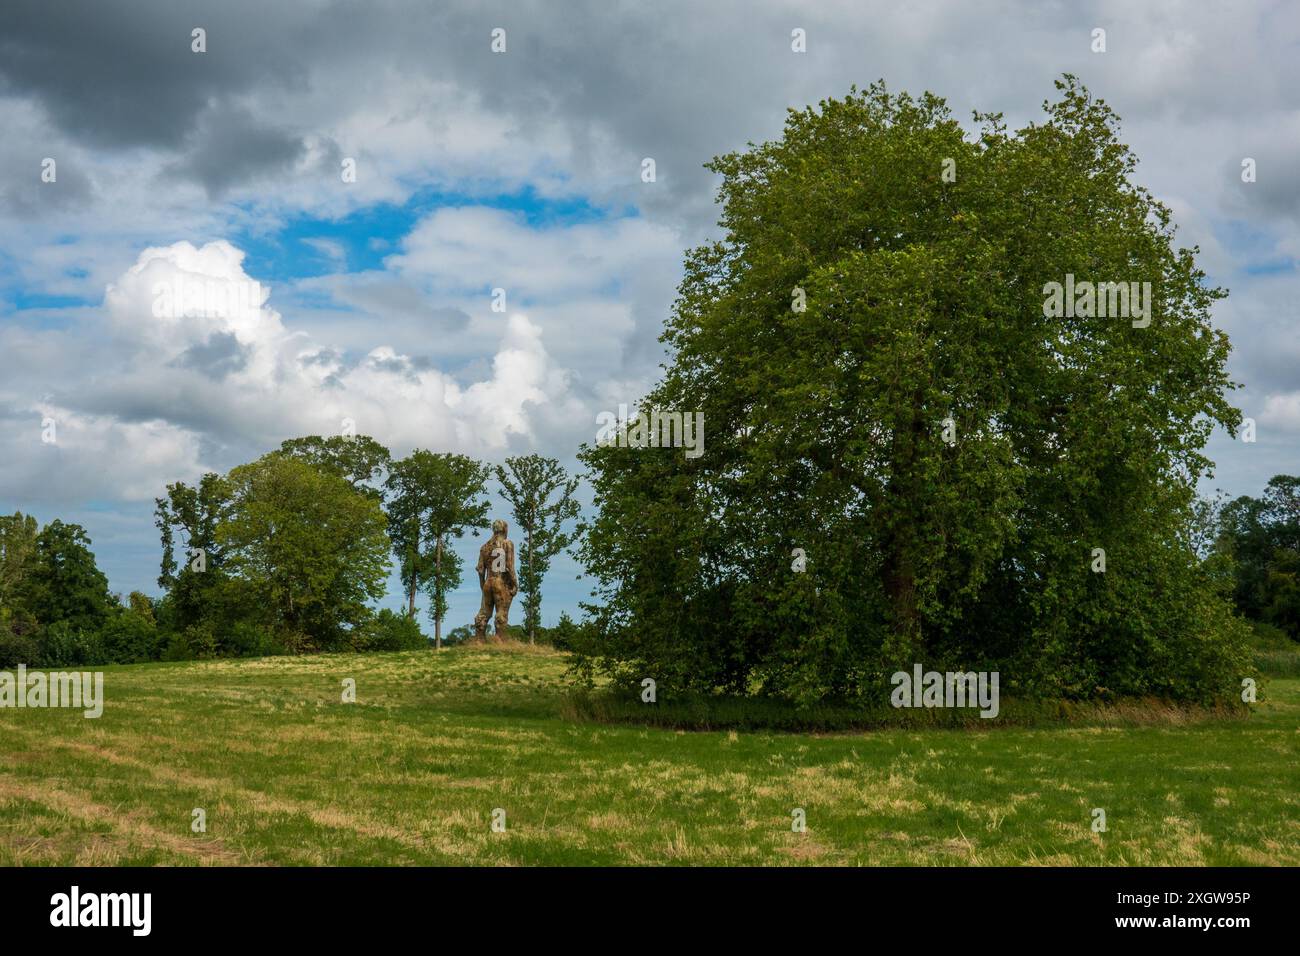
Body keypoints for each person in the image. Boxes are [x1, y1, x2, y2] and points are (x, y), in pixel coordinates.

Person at [474, 519, 517, 641]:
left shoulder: (485, 547)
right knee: (501, 613)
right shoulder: (507, 544)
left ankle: (479, 640)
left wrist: (482, 584)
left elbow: (481, 569)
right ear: (504, 529)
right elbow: (509, 566)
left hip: (488, 581)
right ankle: (499, 640)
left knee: (484, 612)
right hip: (500, 581)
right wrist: (514, 584)